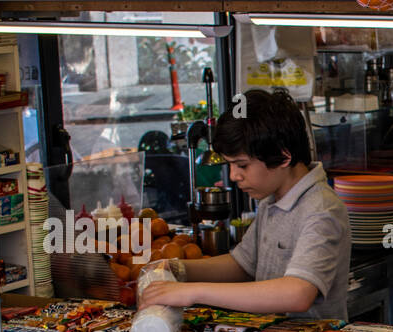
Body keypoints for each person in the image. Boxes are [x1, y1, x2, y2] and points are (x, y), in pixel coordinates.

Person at [138, 89, 351, 318]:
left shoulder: (321, 210)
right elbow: (242, 265)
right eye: (230, 165)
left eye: (242, 165)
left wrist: (191, 292)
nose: (233, 176)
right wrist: (178, 269)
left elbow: (298, 293)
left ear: (284, 156)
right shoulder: (272, 199)